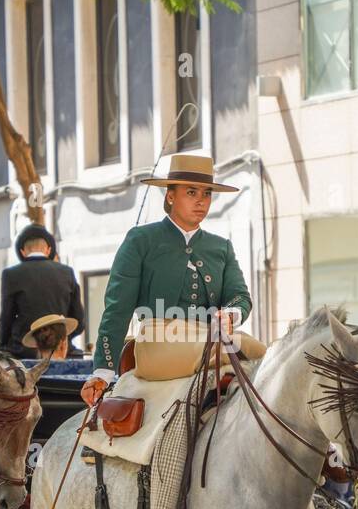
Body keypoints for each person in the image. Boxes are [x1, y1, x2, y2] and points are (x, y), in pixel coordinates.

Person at [82, 152, 252, 406]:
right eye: (192, 192)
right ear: (170, 196)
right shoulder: (140, 241)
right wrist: (102, 372)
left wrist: (230, 315)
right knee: (222, 352)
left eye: (207, 193)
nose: (201, 201)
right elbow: (118, 309)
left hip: (212, 342)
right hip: (157, 343)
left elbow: (240, 297)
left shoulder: (221, 248)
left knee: (261, 352)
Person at [0, 223, 84, 360]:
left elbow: (6, 317)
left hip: (22, 351)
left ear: (23, 252)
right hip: (61, 350)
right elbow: (79, 320)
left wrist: (2, 344)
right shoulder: (67, 272)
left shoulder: (11, 274)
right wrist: (58, 340)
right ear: (49, 250)